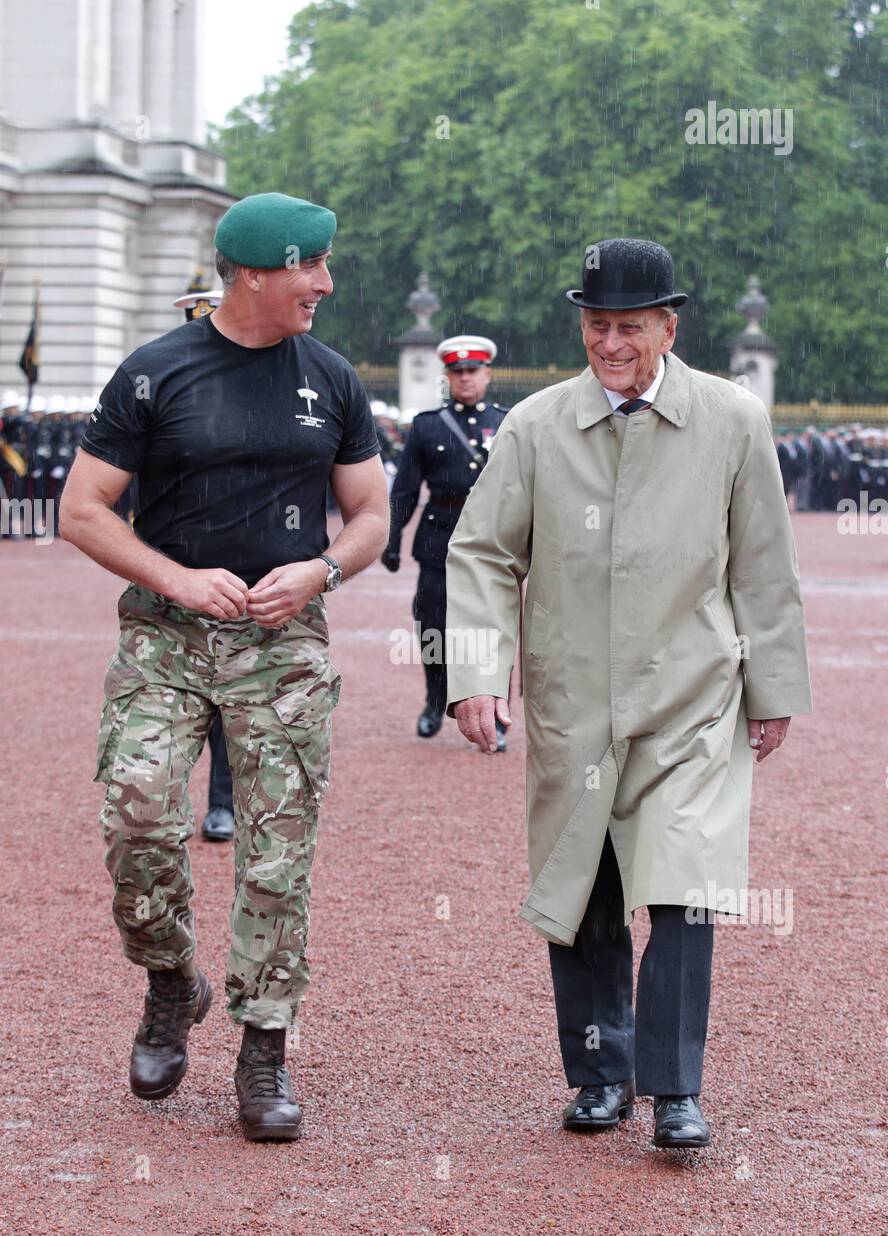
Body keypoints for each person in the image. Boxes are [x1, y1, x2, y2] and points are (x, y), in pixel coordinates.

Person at [444, 238, 812, 1148]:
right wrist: (477, 676)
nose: (611, 344)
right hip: (573, 701)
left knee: (685, 884)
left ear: (668, 327)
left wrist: (773, 687)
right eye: (597, 326)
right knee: (587, 889)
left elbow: (764, 564)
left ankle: (675, 1088)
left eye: (630, 327)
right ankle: (600, 1075)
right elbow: (483, 553)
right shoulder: (533, 427)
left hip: (692, 697)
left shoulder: (732, 420)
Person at [60, 191, 389, 1142]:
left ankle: (264, 1052)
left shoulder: (330, 379)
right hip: (166, 637)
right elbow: (84, 508)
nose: (324, 284)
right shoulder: (156, 373)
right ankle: (172, 981)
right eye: (310, 268)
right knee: (137, 816)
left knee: (277, 854)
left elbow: (370, 513)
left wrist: (321, 571)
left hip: (282, 645)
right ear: (253, 273)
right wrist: (179, 578)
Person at [383, 335, 509, 743]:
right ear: (448, 376)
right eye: (458, 372)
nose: (466, 378)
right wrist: (391, 538)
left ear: (487, 374)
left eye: (473, 371)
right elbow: (404, 489)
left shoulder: (507, 422)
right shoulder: (427, 425)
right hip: (439, 535)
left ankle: (495, 713)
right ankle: (436, 700)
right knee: (433, 627)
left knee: (491, 629)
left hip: (491, 540)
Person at [171, 284, 236, 842]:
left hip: (241, 574)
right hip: (175, 575)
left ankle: (222, 801)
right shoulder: (162, 392)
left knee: (229, 705)